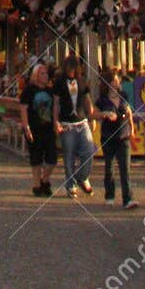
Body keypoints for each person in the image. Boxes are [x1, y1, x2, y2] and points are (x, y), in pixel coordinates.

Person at [52, 55, 96, 198]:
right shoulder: (59, 82)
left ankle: (82, 177)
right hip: (67, 124)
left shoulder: (82, 81)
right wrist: (56, 121)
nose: (71, 70)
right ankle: (71, 184)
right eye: (69, 67)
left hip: (82, 121)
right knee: (68, 155)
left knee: (89, 151)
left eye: (73, 67)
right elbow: (56, 103)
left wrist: (91, 116)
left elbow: (88, 100)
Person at [98, 68, 137, 209]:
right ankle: (110, 194)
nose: (115, 83)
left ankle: (128, 199)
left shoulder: (124, 95)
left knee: (125, 168)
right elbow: (94, 114)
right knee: (109, 168)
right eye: (112, 81)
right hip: (108, 136)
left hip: (123, 134)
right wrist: (105, 114)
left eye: (117, 80)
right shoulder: (102, 99)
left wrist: (132, 129)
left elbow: (129, 112)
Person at [18, 61, 58, 198]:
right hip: (34, 127)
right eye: (42, 73)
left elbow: (54, 108)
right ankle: (37, 185)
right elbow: (23, 108)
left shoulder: (50, 91)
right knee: (36, 158)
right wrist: (26, 126)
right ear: (36, 75)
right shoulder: (29, 90)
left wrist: (56, 123)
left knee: (52, 158)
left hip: (48, 127)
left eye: (46, 73)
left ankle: (45, 180)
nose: (45, 76)